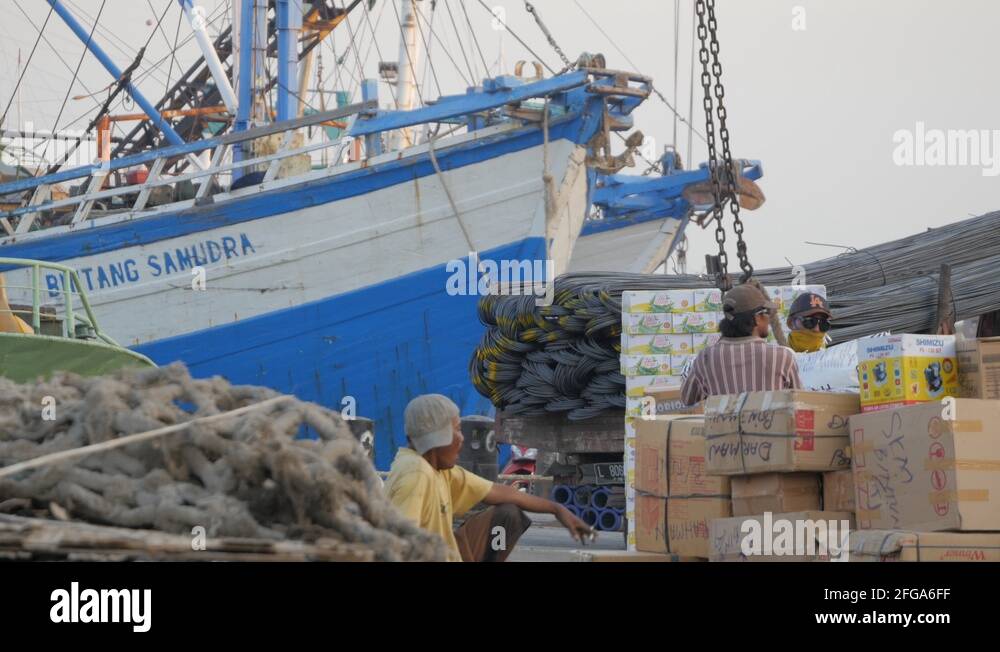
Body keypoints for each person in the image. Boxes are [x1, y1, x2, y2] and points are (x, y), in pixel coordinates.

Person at [384, 394, 594, 562]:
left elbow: (497, 492)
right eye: (457, 430)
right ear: (438, 437)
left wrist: (557, 509)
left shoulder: (439, 470)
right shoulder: (416, 475)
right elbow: (398, 546)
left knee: (507, 514)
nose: (462, 438)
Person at [681, 282, 802, 405]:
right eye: (767, 313)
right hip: (767, 424)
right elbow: (800, 401)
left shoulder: (705, 358)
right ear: (757, 317)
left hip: (722, 424)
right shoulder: (782, 357)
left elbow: (687, 400)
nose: (769, 318)